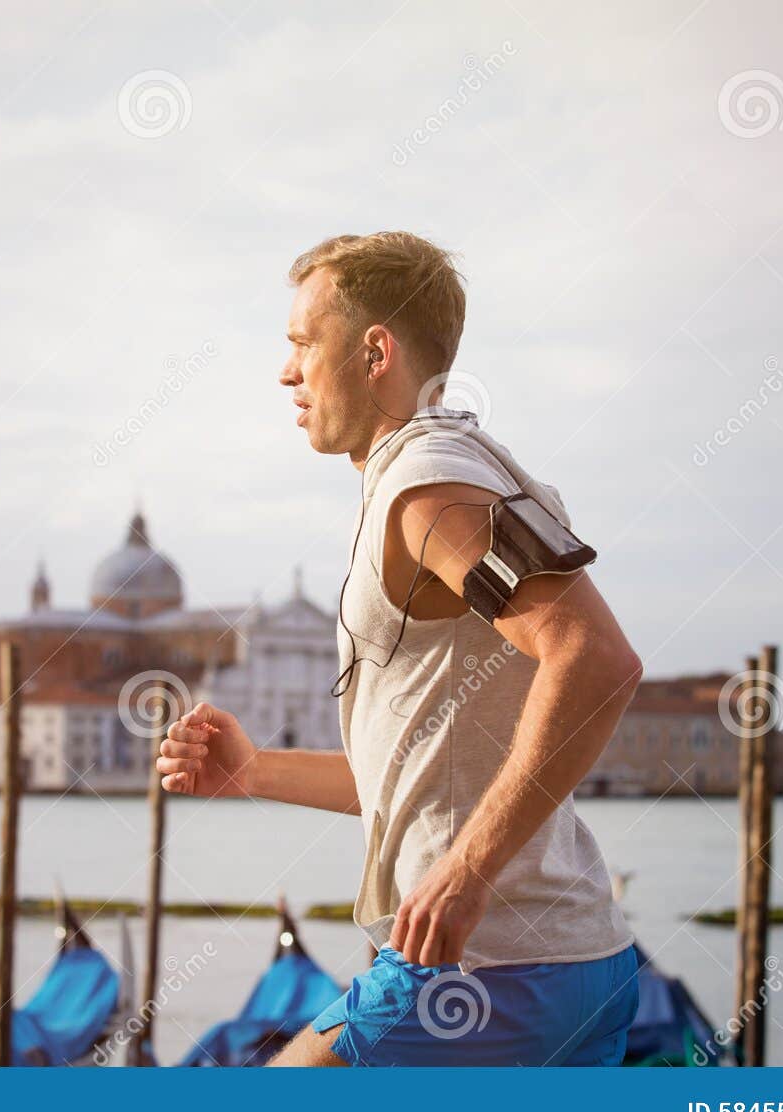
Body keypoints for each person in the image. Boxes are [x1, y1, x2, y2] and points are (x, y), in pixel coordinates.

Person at [157, 232, 643, 1066]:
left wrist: (465, 874)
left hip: (487, 973)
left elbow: (596, 659)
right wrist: (251, 772)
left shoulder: (427, 484)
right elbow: (429, 774)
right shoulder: (441, 474)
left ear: (374, 350)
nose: (286, 373)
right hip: (567, 964)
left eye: (303, 345)